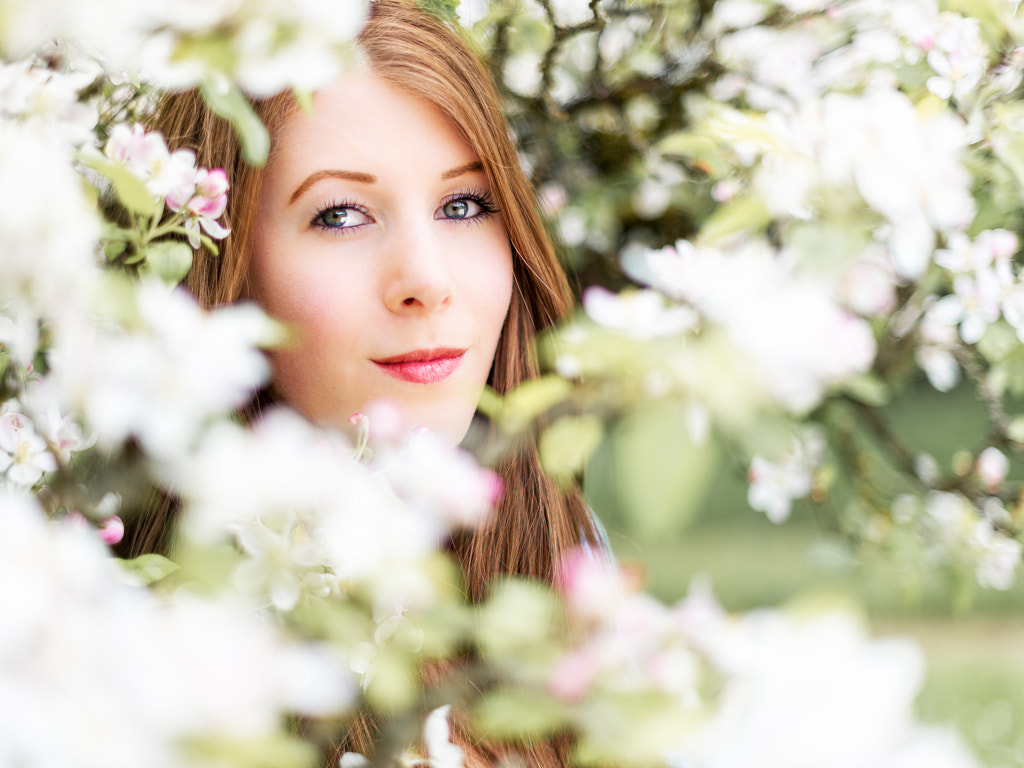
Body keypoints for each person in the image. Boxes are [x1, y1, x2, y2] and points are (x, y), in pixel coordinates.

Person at [128, 0, 604, 764]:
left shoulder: (562, 564)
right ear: (225, 267)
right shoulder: (152, 669)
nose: (426, 279)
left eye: (464, 204)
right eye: (342, 216)